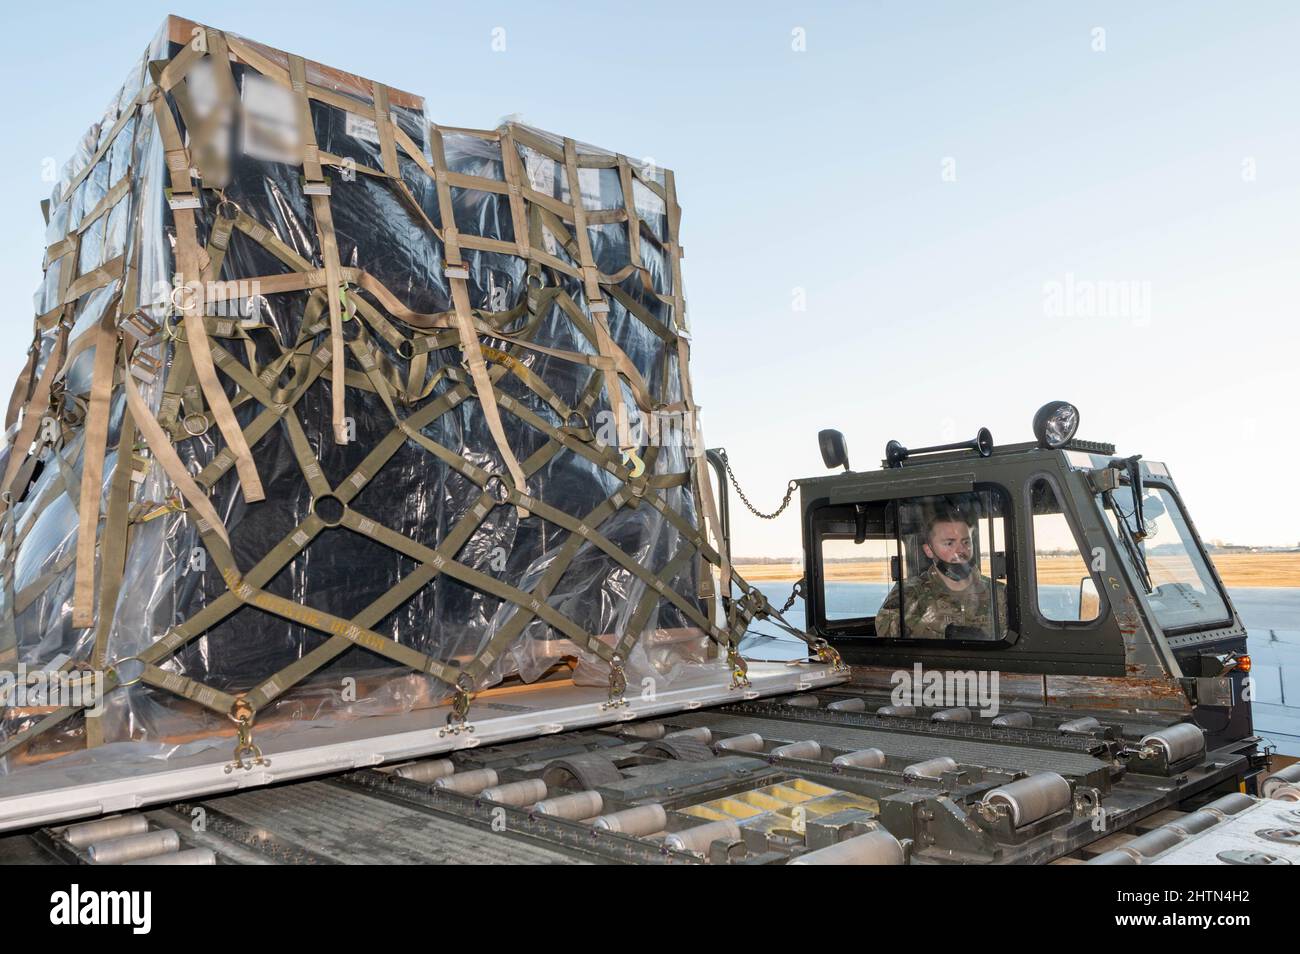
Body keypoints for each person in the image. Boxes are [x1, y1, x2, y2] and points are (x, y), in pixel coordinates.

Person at [874, 506, 1008, 639]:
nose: (960, 550)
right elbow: (885, 628)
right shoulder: (910, 591)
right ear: (929, 550)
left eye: (966, 542)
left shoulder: (999, 592)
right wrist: (946, 633)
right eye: (949, 543)